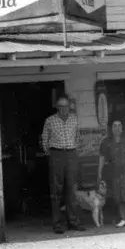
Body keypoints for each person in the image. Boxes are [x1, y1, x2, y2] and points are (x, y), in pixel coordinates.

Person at [41, 95, 85, 234]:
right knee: (56, 191)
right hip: (56, 155)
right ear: (57, 107)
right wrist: (52, 154)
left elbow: (78, 137)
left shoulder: (74, 119)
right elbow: (44, 139)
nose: (64, 109)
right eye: (61, 106)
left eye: (66, 106)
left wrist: (74, 150)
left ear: (69, 107)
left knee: (71, 190)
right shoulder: (50, 120)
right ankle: (57, 224)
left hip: (71, 154)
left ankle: (73, 222)